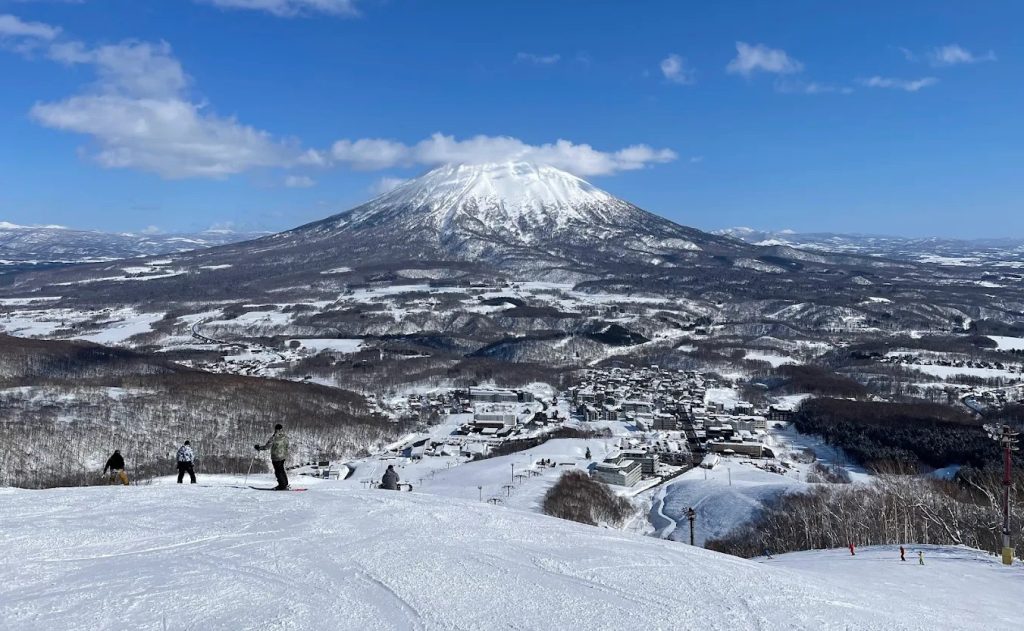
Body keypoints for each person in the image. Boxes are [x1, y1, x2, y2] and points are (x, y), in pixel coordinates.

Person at [255, 424, 289, 490]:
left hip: (276, 457)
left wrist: (259, 448)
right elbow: (287, 445)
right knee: (281, 470)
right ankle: (285, 484)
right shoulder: (285, 436)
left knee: (278, 471)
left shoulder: (274, 437)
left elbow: (267, 447)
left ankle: (282, 485)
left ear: (276, 429)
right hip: (283, 456)